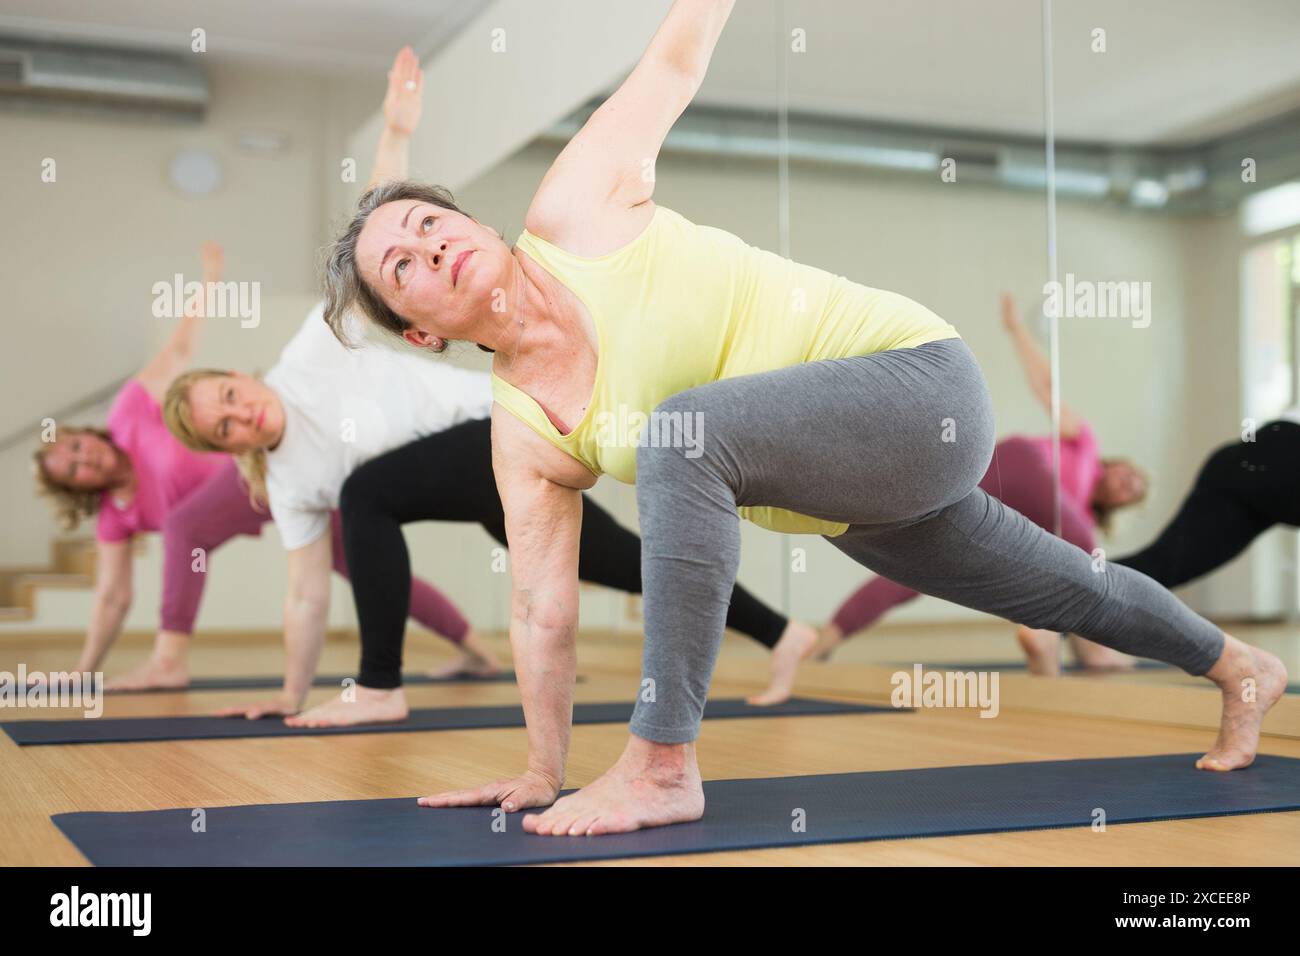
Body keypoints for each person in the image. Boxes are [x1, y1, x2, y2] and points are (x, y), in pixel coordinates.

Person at [324, 0, 1286, 834]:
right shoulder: (524, 433)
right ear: (419, 335)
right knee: (1068, 591)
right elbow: (541, 608)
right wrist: (541, 770)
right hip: (858, 500)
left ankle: (662, 762)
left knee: (674, 432)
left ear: (471, 223)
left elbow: (671, 61)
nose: (427, 248)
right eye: (399, 267)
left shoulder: (576, 206)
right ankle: (1240, 666)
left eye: (426, 222)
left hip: (914, 384)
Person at [818, 293, 1149, 676]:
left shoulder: (1070, 522)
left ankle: (820, 643)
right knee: (1086, 553)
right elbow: (1047, 389)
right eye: (1131, 474)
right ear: (1115, 463)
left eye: (1132, 492)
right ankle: (1089, 649)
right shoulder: (1086, 448)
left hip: (997, 502)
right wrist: (1017, 330)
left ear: (1118, 505)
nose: (1128, 483)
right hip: (1015, 465)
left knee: (919, 567)